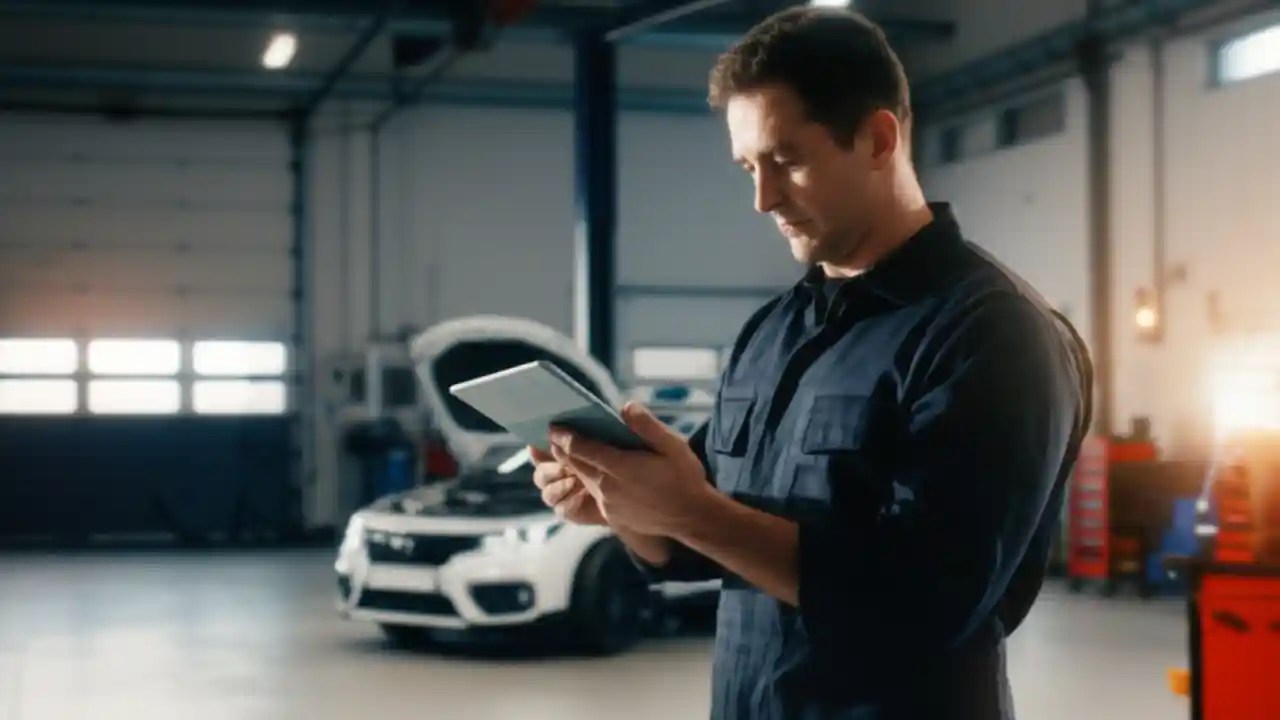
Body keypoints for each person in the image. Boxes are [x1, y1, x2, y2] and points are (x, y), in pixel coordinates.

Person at [531, 6, 1092, 719]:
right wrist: (624, 504)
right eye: (748, 168)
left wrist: (690, 511)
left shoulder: (993, 332)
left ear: (878, 138)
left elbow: (928, 600)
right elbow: (701, 541)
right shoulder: (773, 332)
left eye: (787, 159)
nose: (763, 198)